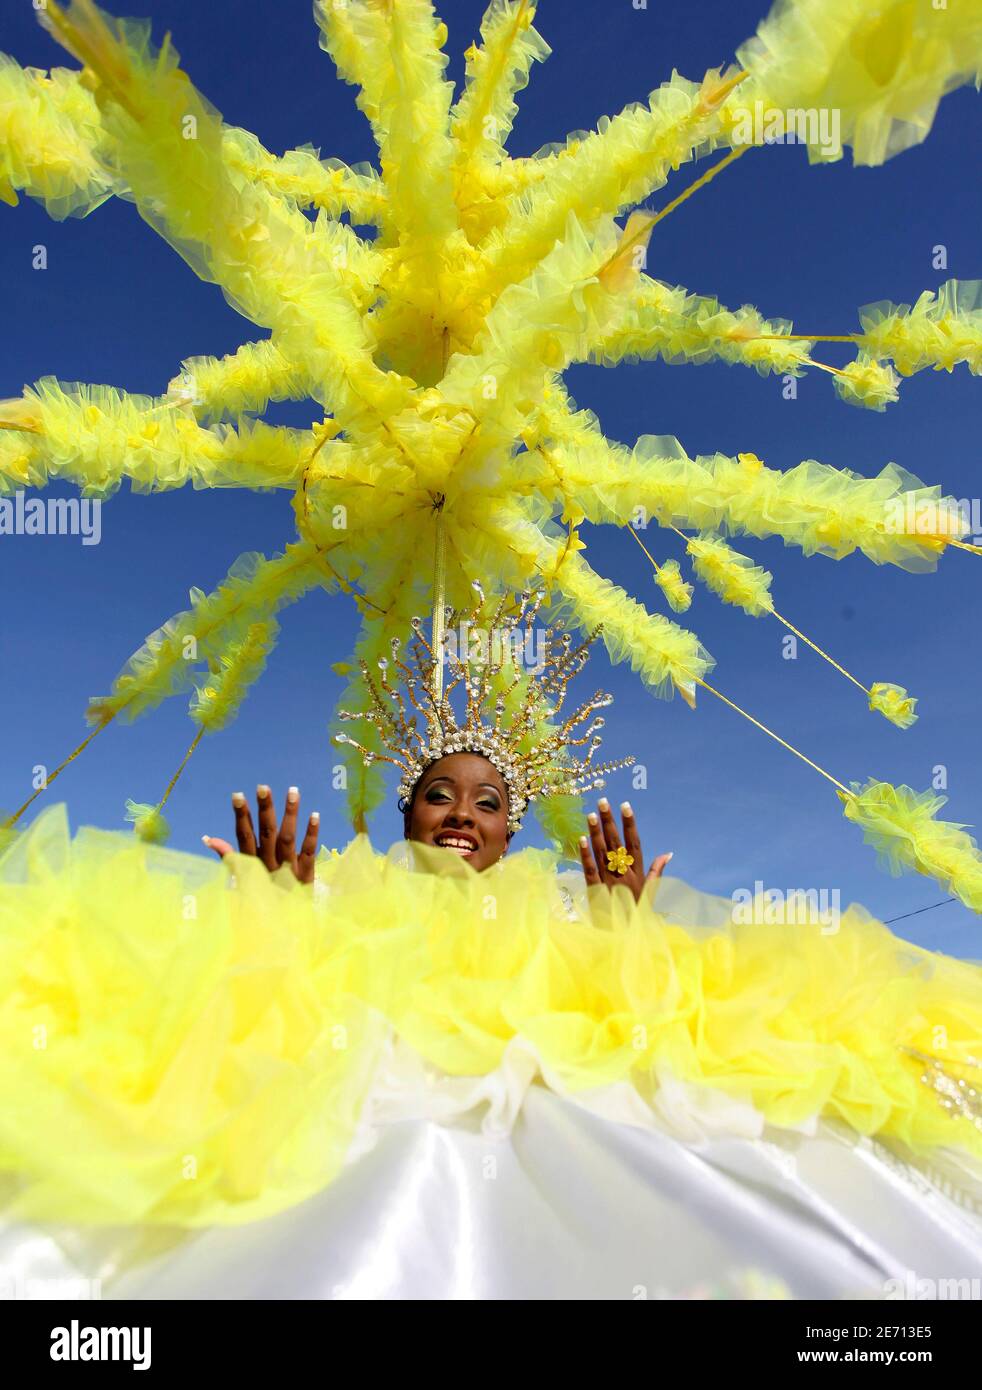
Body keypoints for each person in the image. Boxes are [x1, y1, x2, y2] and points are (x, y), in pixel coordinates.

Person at [203, 754, 673, 900]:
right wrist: (276, 913)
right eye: (440, 796)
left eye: (486, 804)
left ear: (507, 838)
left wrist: (624, 934)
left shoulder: (557, 911)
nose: (461, 814)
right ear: (409, 820)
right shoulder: (341, 898)